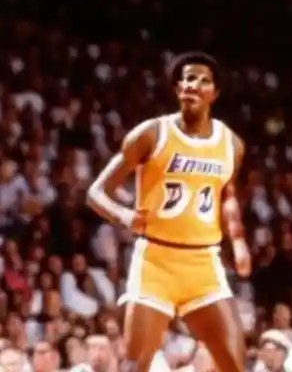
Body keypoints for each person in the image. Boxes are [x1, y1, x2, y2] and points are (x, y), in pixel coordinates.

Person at [87, 51, 251, 372]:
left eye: (203, 80)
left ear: (215, 93)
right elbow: (96, 191)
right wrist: (123, 216)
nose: (193, 84)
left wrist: (239, 240)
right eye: (188, 78)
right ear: (178, 88)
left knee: (234, 364)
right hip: (156, 262)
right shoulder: (152, 134)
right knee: (135, 365)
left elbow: (228, 194)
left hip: (204, 263)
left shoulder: (231, 144)